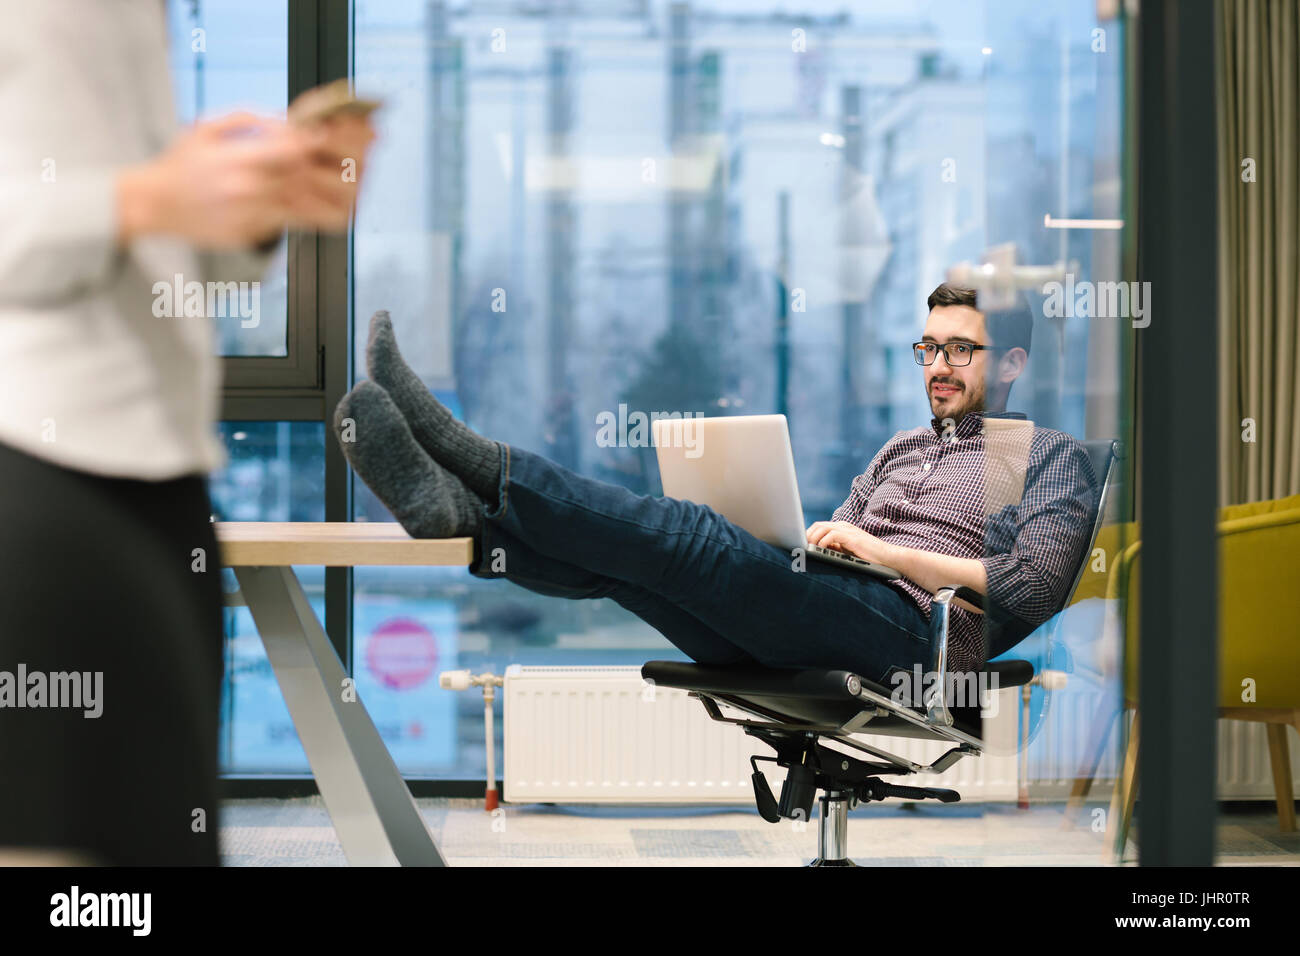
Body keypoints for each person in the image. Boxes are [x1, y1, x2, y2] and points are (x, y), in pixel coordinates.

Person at [0, 2, 375, 865]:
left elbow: (142, 240)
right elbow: (112, 206)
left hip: (159, 473)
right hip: (32, 464)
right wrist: (141, 196)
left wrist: (251, 204)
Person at [334, 284, 1097, 697]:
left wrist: (879, 549)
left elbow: (1030, 590)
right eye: (929, 347)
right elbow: (833, 543)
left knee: (688, 538)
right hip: (836, 610)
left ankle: (466, 453)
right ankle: (462, 518)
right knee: (634, 562)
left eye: (960, 349)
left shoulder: (1042, 456)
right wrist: (810, 540)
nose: (937, 365)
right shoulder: (902, 446)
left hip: (913, 642)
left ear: (1012, 364)